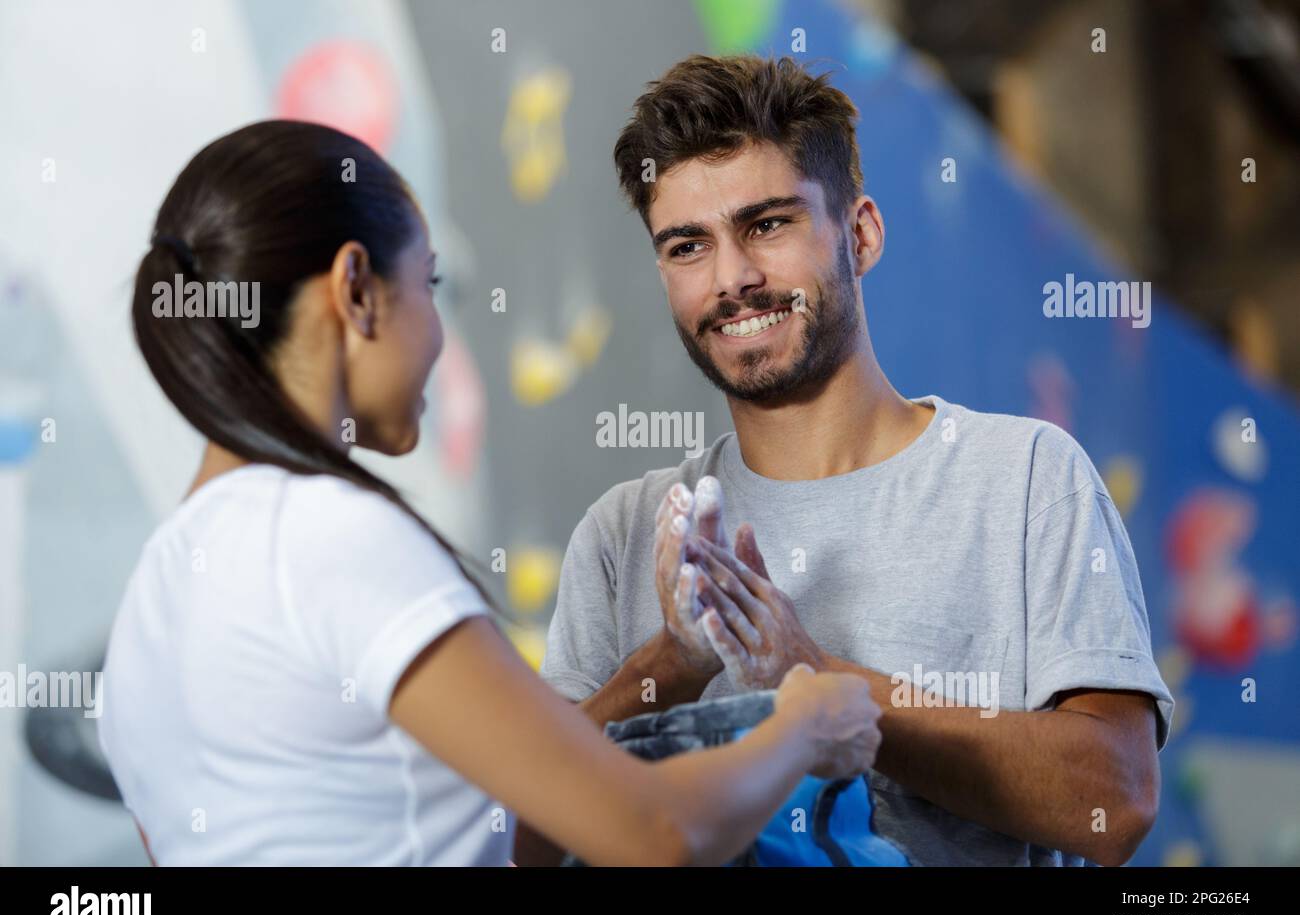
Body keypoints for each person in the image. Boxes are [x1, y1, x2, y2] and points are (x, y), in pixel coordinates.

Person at [97, 119, 882, 867]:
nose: (441, 334)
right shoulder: (328, 536)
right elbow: (654, 834)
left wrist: (672, 662)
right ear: (357, 289)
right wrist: (806, 727)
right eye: (430, 283)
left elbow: (499, 821)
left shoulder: (152, 598)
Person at [537, 55, 1176, 867]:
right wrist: (672, 663)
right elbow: (522, 843)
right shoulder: (621, 534)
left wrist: (814, 679)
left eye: (768, 224)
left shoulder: (1023, 479)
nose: (733, 279)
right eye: (688, 245)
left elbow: (1114, 801)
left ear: (861, 234)